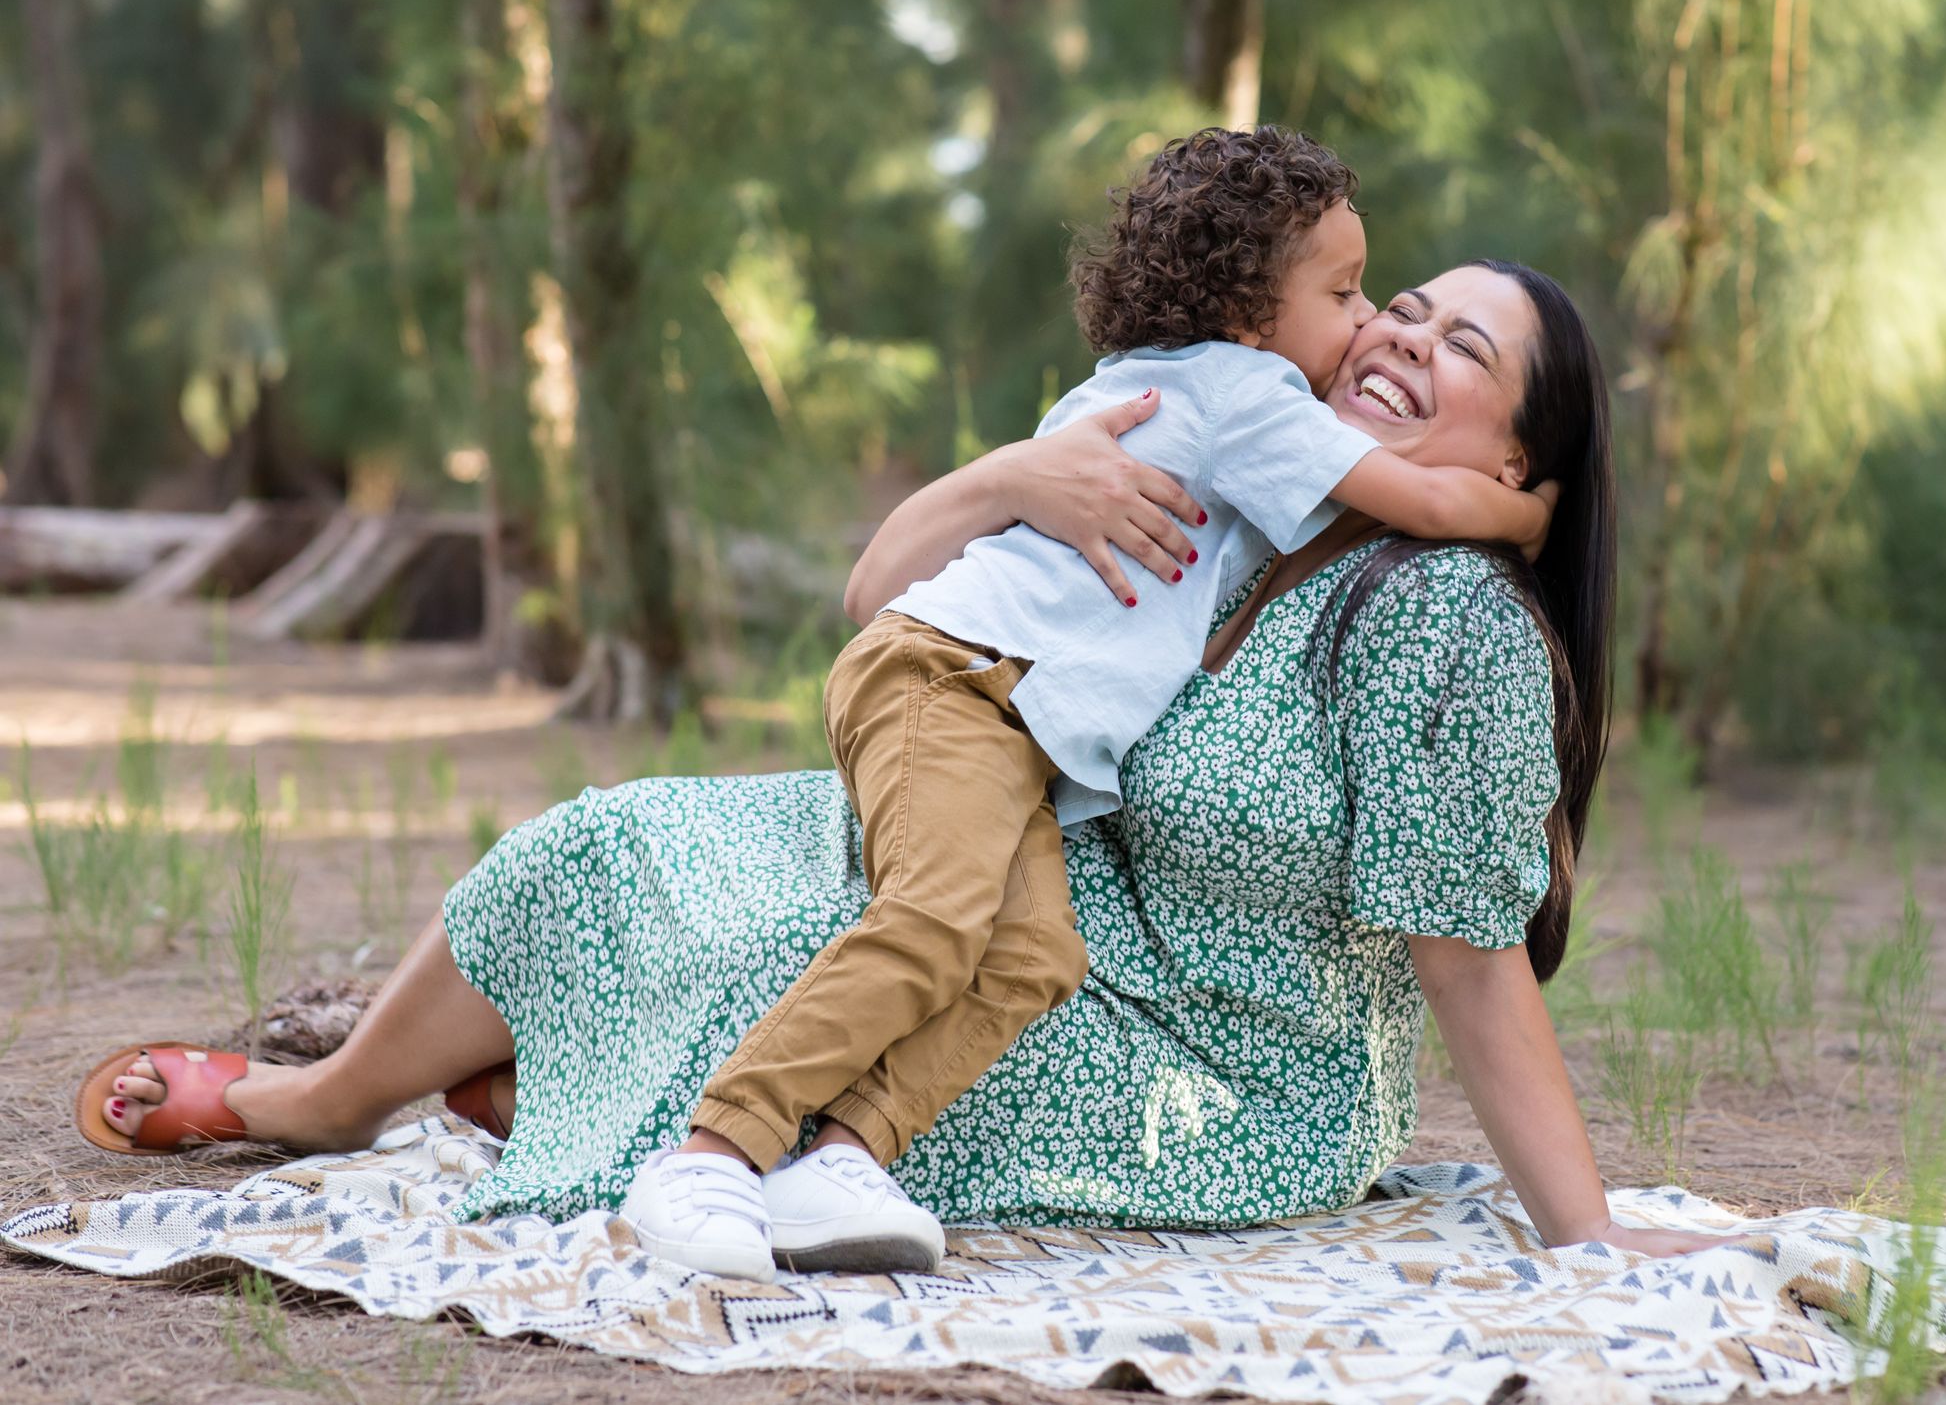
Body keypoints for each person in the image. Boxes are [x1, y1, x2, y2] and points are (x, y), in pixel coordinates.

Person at [75, 257, 1722, 1266]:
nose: (1402, 339)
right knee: (638, 841)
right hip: (1047, 874)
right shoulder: (1251, 505)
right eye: (1403, 307)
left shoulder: (1450, 621)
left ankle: (593, 1107)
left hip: (1226, 1066)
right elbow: (886, 602)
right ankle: (331, 1099)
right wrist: (1019, 470)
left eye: (1462, 353)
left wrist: (1586, 1240)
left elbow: (1474, 965)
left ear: (1521, 459)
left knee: (798, 962)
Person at [622, 127, 1555, 1280]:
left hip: (1006, 717)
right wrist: (1521, 516)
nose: (1369, 325)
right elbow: (1413, 492)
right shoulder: (1248, 396)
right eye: (1351, 292)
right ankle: (716, 1151)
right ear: (1256, 311)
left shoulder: (1174, 393)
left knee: (1029, 957)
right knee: (933, 915)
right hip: (958, 679)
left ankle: (846, 1155)